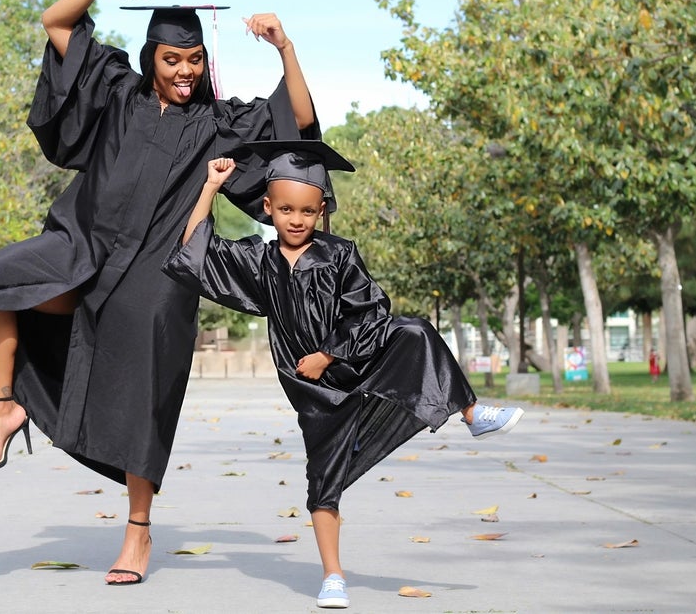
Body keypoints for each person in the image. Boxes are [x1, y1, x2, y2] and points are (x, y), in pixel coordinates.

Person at [0, 0, 319, 586]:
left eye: (194, 60)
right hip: (81, 246)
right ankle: (2, 410)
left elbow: (295, 122)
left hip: (160, 269)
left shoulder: (219, 122)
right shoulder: (116, 91)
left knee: (146, 381)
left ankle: (137, 531)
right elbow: (57, 22)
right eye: (172, 59)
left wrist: (285, 47)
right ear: (151, 57)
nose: (185, 71)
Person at [163, 142, 524, 609]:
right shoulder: (259, 262)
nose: (297, 219)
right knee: (322, 481)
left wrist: (329, 354)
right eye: (287, 209)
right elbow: (196, 253)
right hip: (311, 388)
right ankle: (333, 576)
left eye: (308, 211)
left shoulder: (339, 254)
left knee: (413, 331)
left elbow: (373, 311)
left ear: (322, 210)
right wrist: (211, 185)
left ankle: (472, 413)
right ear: (268, 208)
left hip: (353, 361)